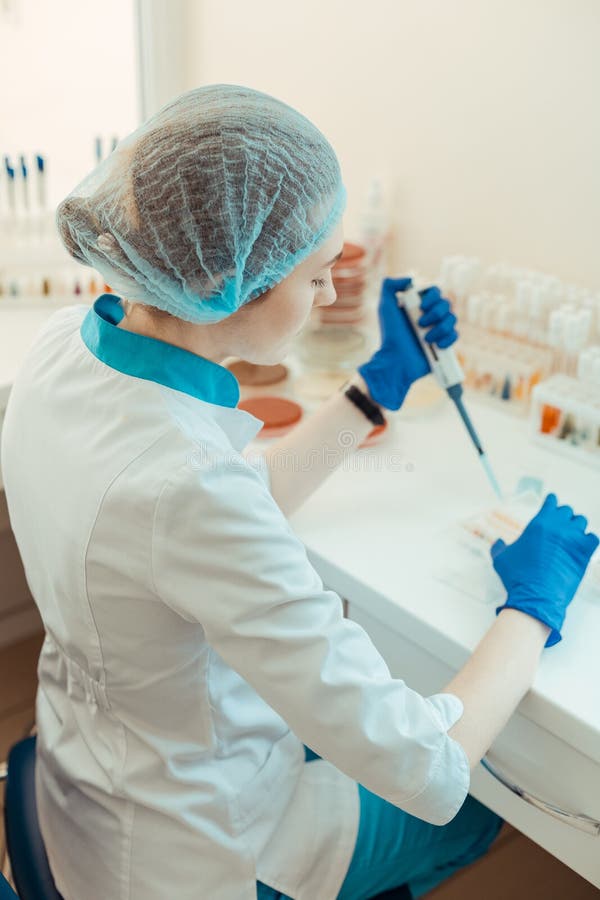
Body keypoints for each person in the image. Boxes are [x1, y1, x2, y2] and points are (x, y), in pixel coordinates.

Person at [1, 84, 597, 900]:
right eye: (318, 276)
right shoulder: (185, 486)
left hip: (83, 772)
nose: (327, 297)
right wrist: (533, 604)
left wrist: (373, 390)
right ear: (235, 282)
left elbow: (197, 518)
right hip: (200, 849)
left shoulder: (64, 345)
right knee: (488, 807)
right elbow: (429, 766)